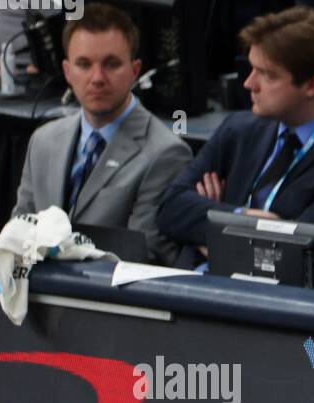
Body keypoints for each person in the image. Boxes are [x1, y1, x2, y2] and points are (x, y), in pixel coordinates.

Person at [157, 5, 314, 258]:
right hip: (191, 284)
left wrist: (210, 221)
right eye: (251, 69)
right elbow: (169, 210)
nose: (249, 83)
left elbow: (294, 252)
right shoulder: (238, 130)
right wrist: (241, 217)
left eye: (266, 75)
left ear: (312, 85)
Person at [10, 3, 192, 265]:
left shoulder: (165, 153)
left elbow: (143, 257)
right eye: (84, 64)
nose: (97, 78)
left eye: (111, 64)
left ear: (135, 70)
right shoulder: (43, 140)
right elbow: (19, 230)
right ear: (67, 71)